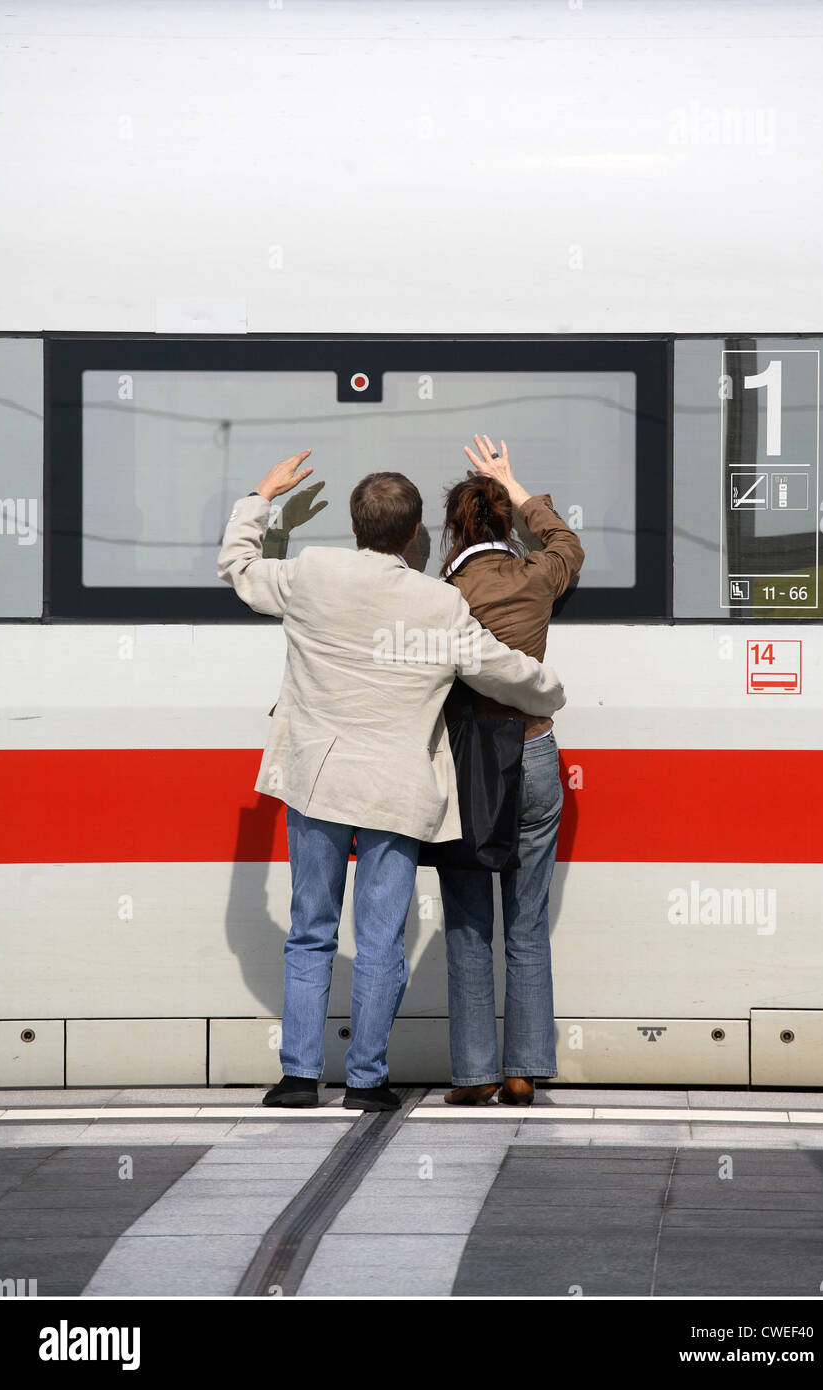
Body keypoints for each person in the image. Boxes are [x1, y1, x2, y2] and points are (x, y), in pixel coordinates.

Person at [217, 450, 566, 1111]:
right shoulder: (437, 602)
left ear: (355, 525)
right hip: (396, 789)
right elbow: (501, 669)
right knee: (381, 936)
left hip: (317, 781)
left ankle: (297, 1077)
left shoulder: (311, 573)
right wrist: (550, 689)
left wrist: (261, 496)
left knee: (309, 927)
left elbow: (237, 568)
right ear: (412, 536)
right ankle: (366, 1082)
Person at [437, 434, 585, 1106]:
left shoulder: (442, 597)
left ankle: (473, 1073)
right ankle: (524, 1069)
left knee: (467, 921)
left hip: (467, 763)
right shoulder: (535, 578)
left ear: (452, 530)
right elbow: (566, 544)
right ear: (503, 526)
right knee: (526, 921)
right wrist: (516, 485)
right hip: (533, 753)